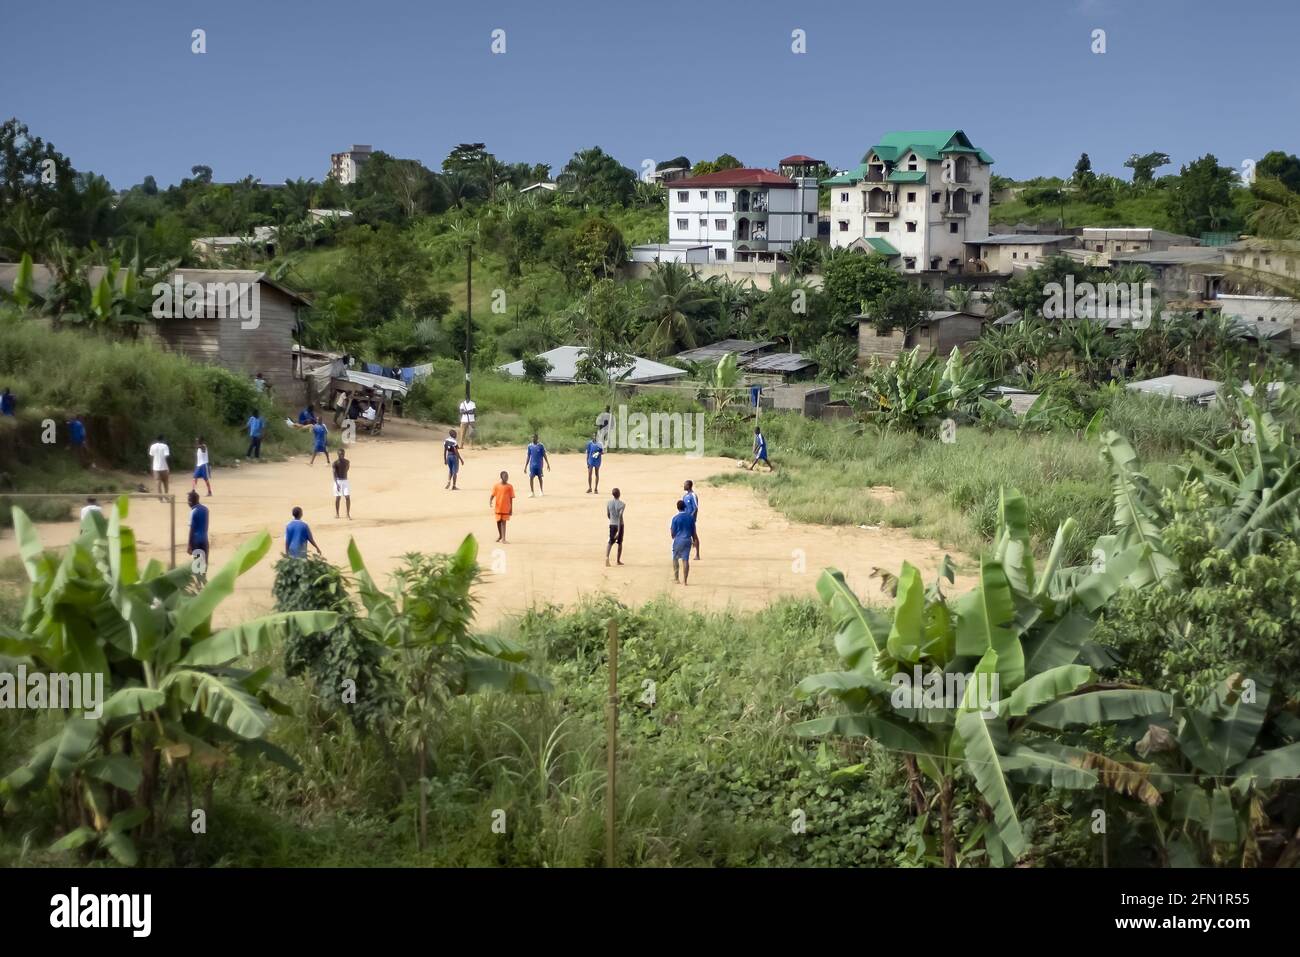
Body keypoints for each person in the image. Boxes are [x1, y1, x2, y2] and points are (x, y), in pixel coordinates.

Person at [670, 499, 696, 585]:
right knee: (685, 560)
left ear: (677, 508)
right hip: (688, 540)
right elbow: (693, 531)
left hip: (678, 540)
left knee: (675, 558)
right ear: (685, 507)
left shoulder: (675, 518)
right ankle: (685, 581)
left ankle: (676, 578)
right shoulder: (690, 517)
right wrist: (694, 541)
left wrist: (674, 536)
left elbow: (672, 533)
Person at [187, 490, 210, 578]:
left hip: (196, 541)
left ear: (192, 501)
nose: (188, 503)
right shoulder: (206, 509)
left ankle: (199, 583)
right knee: (204, 562)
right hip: (205, 539)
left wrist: (189, 545)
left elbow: (191, 529)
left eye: (189, 500)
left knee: (197, 564)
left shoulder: (193, 512)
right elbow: (206, 525)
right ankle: (204, 579)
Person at [490, 470, 515, 544]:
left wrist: (511, 508)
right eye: (505, 476)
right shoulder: (496, 486)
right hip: (498, 507)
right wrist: (490, 501)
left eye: (507, 476)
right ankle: (500, 536)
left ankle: (504, 538)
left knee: (504, 523)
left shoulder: (509, 487)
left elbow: (511, 498)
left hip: (506, 507)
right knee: (498, 522)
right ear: (501, 477)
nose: (506, 478)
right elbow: (493, 495)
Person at [605, 487, 625, 567]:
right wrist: (619, 530)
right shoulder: (622, 504)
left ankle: (607, 557)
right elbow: (620, 517)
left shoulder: (609, 503)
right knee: (620, 543)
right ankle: (618, 560)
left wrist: (611, 520)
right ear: (619, 494)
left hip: (612, 524)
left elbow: (608, 514)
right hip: (619, 525)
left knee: (610, 541)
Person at [683, 479, 701, 560]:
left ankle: (697, 554)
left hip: (690, 519)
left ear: (689, 486)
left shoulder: (693, 495)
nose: (684, 486)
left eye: (685, 485)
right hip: (685, 518)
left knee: (694, 535)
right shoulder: (685, 496)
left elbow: (695, 508)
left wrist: (691, 517)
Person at [332, 449, 352, 518]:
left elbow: (346, 470)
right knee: (338, 498)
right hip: (338, 481)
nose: (342, 455)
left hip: (345, 481)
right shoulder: (335, 463)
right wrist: (337, 484)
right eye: (340, 454)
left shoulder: (347, 462)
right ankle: (337, 514)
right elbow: (334, 474)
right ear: (338, 455)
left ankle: (348, 514)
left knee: (347, 497)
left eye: (343, 454)